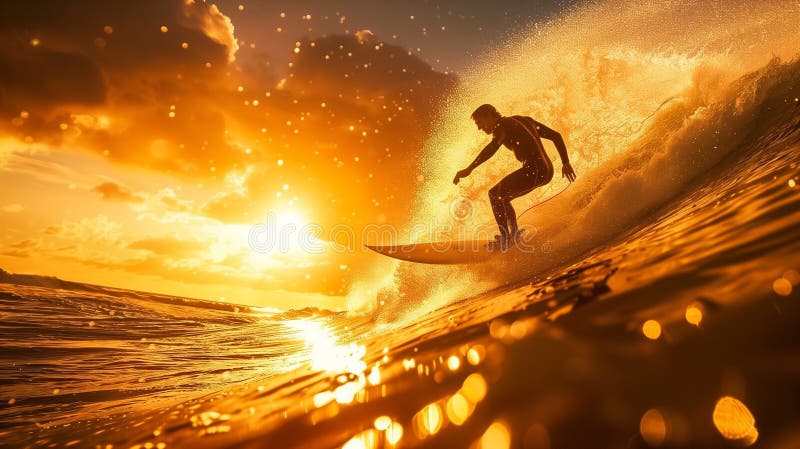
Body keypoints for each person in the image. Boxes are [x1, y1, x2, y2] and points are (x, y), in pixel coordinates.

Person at [453, 104, 576, 247]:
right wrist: (565, 163)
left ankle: (506, 239)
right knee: (502, 197)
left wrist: (469, 169)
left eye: (479, 122)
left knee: (494, 195)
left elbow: (492, 148)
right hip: (547, 171)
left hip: (534, 171)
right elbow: (556, 136)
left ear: (488, 116)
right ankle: (514, 235)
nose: (479, 128)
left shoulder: (502, 125)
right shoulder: (524, 120)